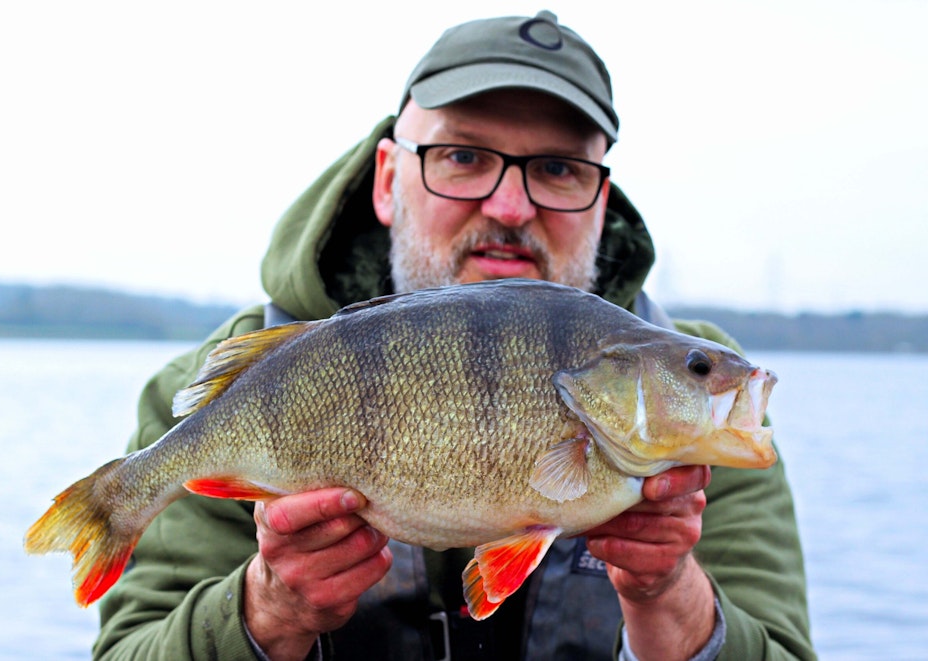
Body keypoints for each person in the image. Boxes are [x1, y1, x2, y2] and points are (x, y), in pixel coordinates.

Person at [93, 10, 814, 661]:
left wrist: (670, 597)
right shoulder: (220, 386)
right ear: (386, 178)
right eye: (463, 157)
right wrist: (268, 609)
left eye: (559, 168)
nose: (508, 205)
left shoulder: (702, 419)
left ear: (600, 202)